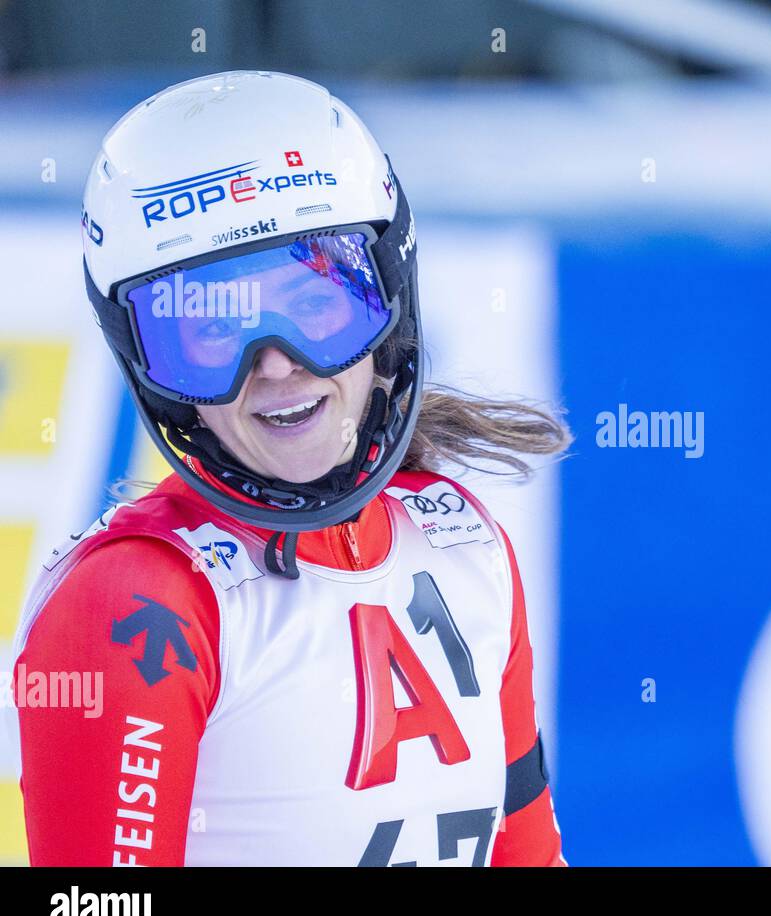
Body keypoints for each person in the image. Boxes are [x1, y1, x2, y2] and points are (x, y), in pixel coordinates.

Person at [11, 71, 570, 866]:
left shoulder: (464, 543)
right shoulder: (136, 605)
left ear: (390, 300)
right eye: (212, 330)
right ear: (152, 369)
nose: (276, 365)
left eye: (315, 306)